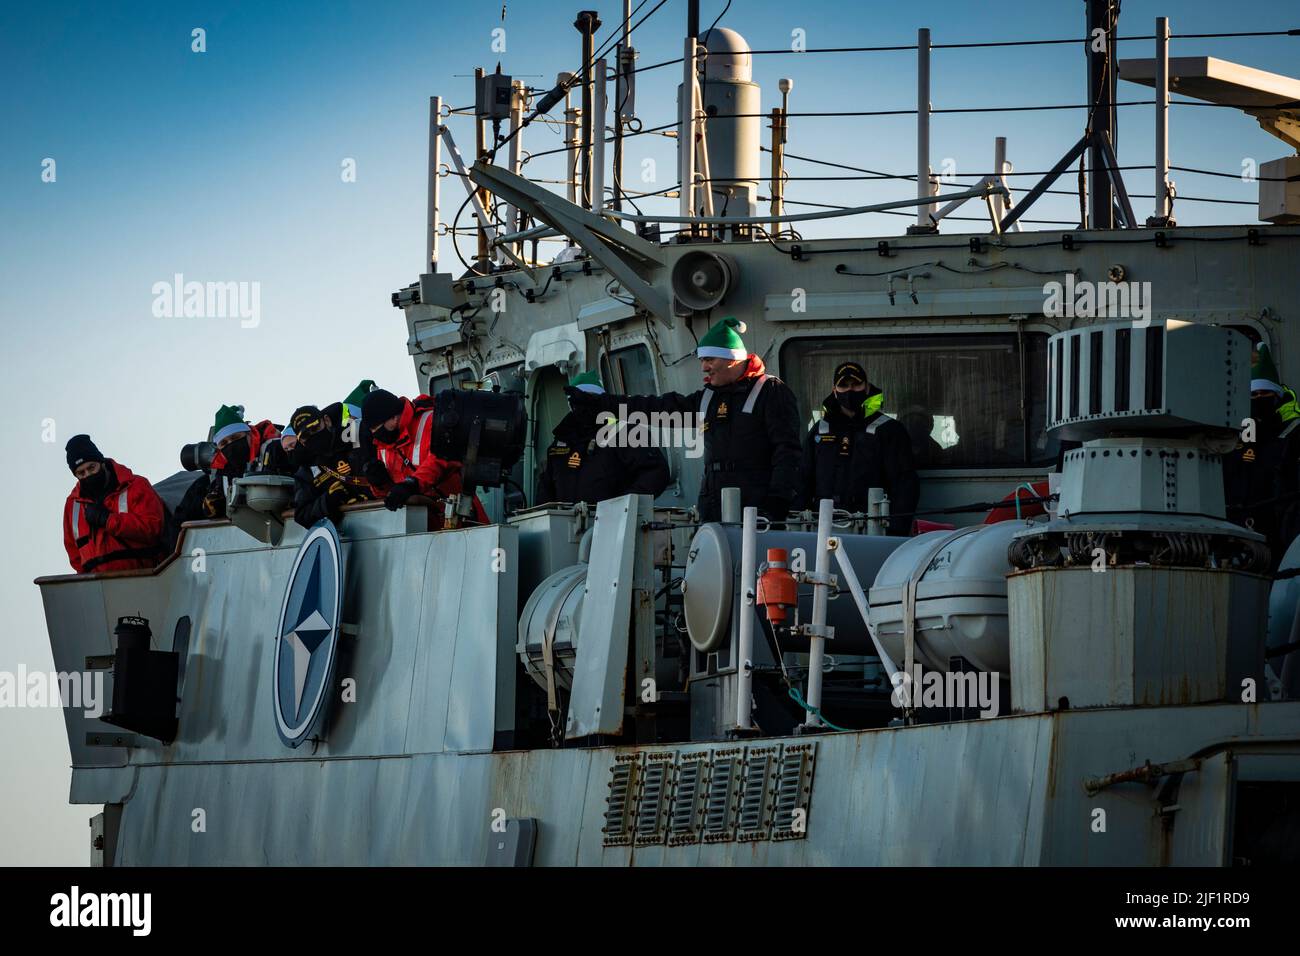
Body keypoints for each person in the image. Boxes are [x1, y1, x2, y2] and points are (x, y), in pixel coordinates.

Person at [565, 317, 801, 522]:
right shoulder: (707, 398)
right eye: (701, 360)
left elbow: (787, 450)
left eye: (710, 359)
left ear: (732, 359)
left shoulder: (769, 391)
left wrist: (778, 501)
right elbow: (654, 408)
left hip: (757, 506)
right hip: (713, 506)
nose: (704, 367)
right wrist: (602, 404)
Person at [796, 361, 919, 536]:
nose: (850, 390)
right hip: (822, 528)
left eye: (856, 384)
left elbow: (905, 484)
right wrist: (795, 521)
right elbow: (802, 480)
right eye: (843, 385)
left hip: (875, 529)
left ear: (867, 387)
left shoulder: (889, 430)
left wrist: (896, 530)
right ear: (834, 390)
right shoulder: (819, 431)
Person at [537, 370, 671, 506]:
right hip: (566, 523)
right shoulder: (561, 441)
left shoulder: (626, 432)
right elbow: (546, 488)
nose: (581, 406)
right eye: (575, 401)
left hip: (615, 523)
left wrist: (622, 505)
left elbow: (656, 473)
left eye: (589, 398)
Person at [359, 388, 488, 525]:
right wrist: (379, 484)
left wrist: (412, 484)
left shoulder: (431, 421)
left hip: (463, 519)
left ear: (393, 417)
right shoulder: (383, 445)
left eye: (376, 427)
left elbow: (442, 459)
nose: (374, 433)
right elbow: (392, 496)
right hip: (422, 528)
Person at [1224, 344, 1300, 567]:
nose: (1259, 398)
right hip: (1237, 527)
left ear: (1277, 396)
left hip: (1276, 531)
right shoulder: (1234, 437)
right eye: (1254, 394)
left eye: (1266, 393)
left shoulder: (1292, 434)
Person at [63, 434, 166, 574]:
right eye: (81, 473)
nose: (88, 475)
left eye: (91, 468)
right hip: (98, 589)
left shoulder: (136, 486)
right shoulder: (72, 505)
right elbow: (74, 554)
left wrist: (108, 520)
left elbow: (154, 528)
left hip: (145, 579)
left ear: (102, 462)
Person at [176, 404, 283, 522]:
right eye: (224, 443)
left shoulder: (274, 450)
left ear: (249, 434)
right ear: (219, 448)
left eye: (235, 437)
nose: (231, 445)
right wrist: (214, 508)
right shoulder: (222, 473)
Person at [287, 404, 376, 528]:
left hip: (384, 514)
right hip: (349, 532)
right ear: (301, 442)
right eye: (306, 436)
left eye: (315, 428)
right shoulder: (306, 469)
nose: (313, 436)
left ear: (327, 420)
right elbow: (302, 515)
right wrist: (328, 500)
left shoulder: (358, 434)